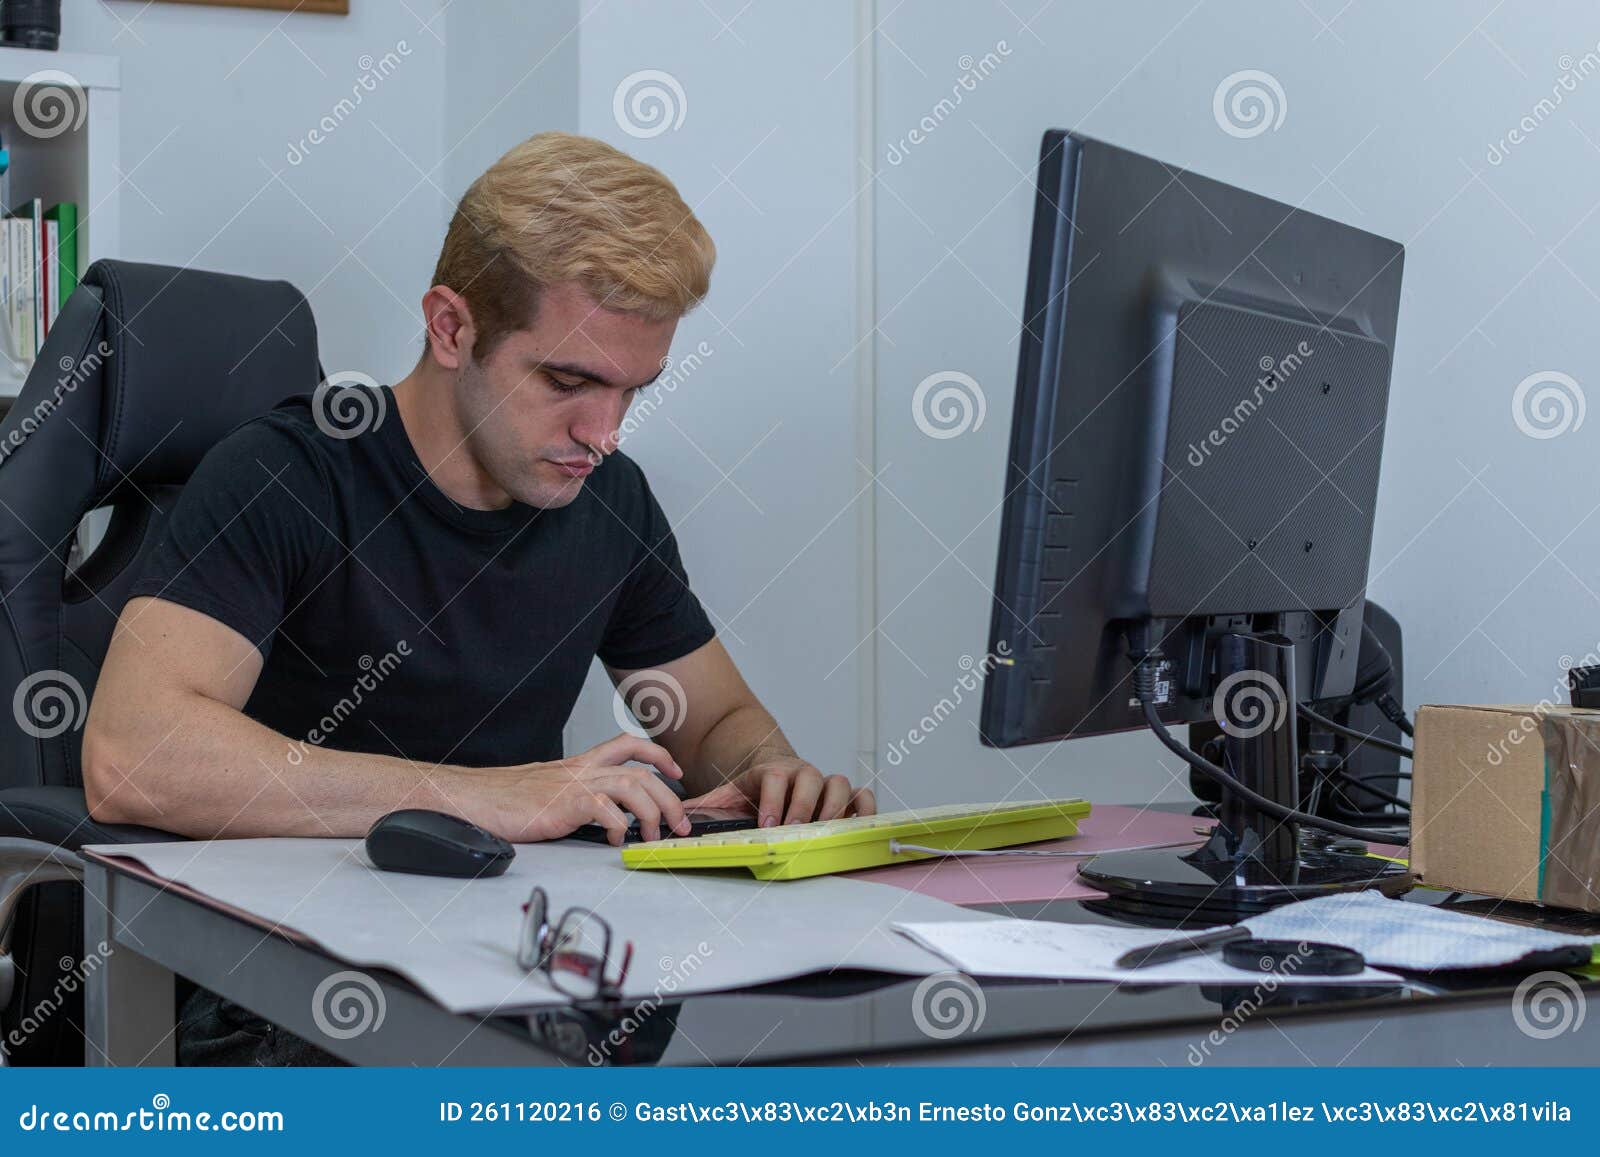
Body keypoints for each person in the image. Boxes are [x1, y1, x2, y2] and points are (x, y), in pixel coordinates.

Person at [82, 131, 875, 1064]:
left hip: (506, 968)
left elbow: (716, 721)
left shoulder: (607, 500)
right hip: (270, 991)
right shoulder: (286, 475)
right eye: (569, 381)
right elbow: (135, 755)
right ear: (452, 327)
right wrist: (492, 798)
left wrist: (772, 776)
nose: (604, 433)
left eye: (635, 391)